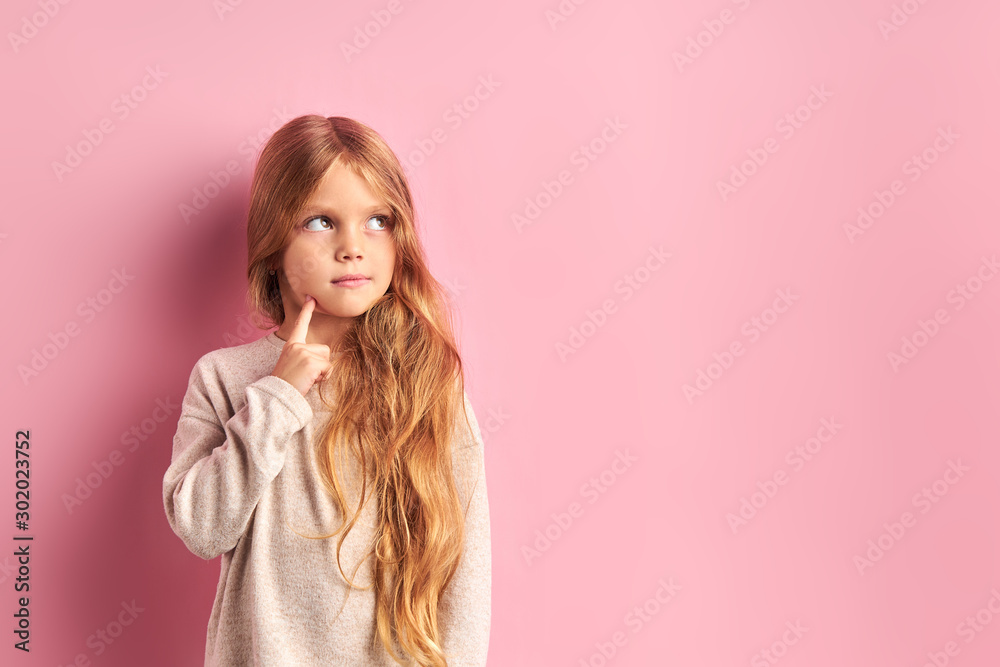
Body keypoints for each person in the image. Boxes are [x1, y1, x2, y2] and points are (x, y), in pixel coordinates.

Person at [162, 115, 491, 666]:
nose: (353, 247)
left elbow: (466, 570)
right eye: (320, 221)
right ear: (272, 242)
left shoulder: (427, 382)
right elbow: (202, 528)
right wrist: (276, 398)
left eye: (377, 221)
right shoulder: (224, 378)